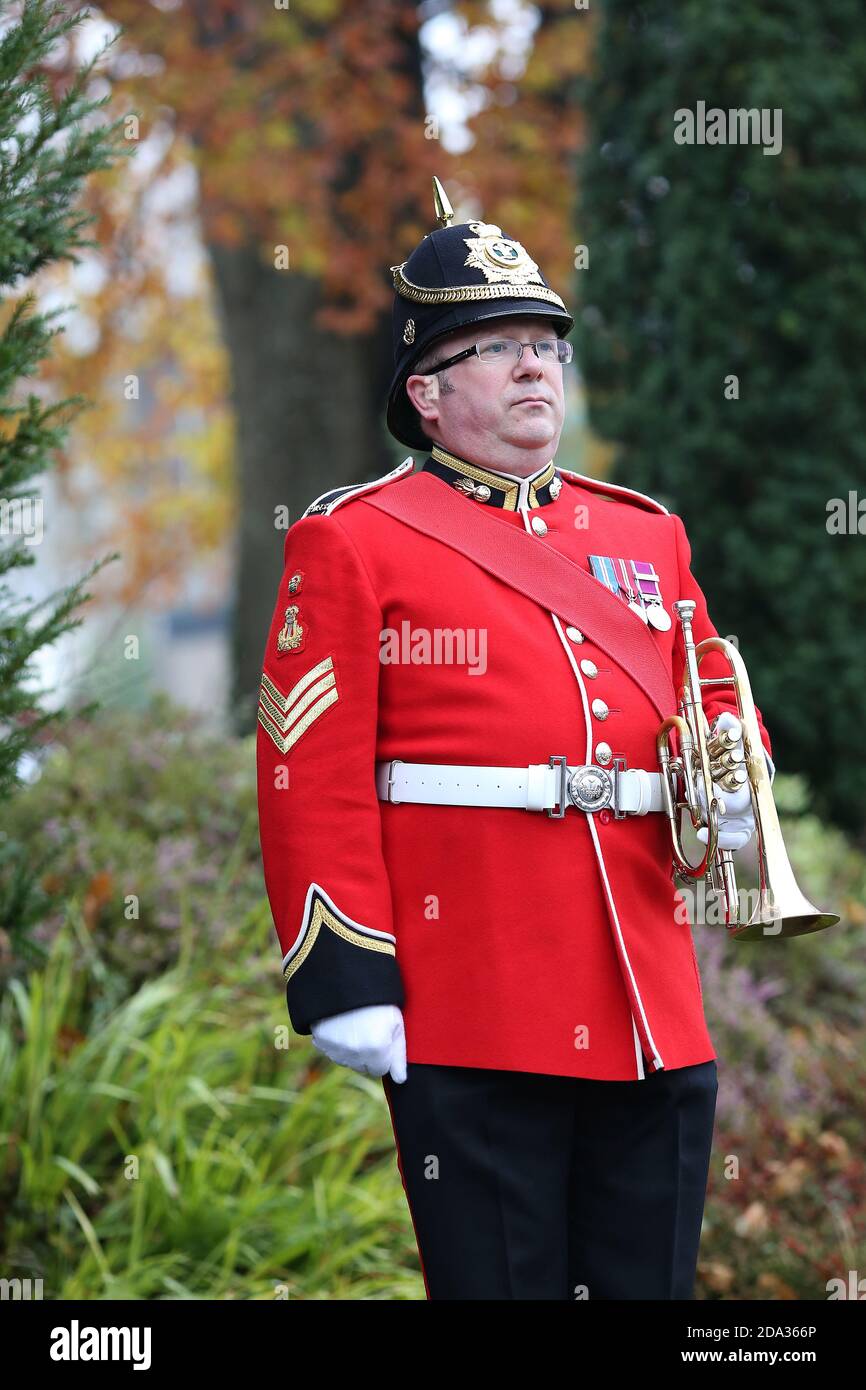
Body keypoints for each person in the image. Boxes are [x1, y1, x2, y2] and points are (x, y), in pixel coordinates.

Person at [255, 178, 775, 1300]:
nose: (535, 364)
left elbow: (713, 692)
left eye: (544, 343)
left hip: (648, 1000)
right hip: (471, 999)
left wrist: (737, 785)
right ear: (427, 393)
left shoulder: (644, 532)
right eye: (496, 347)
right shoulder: (356, 541)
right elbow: (308, 768)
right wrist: (345, 972)